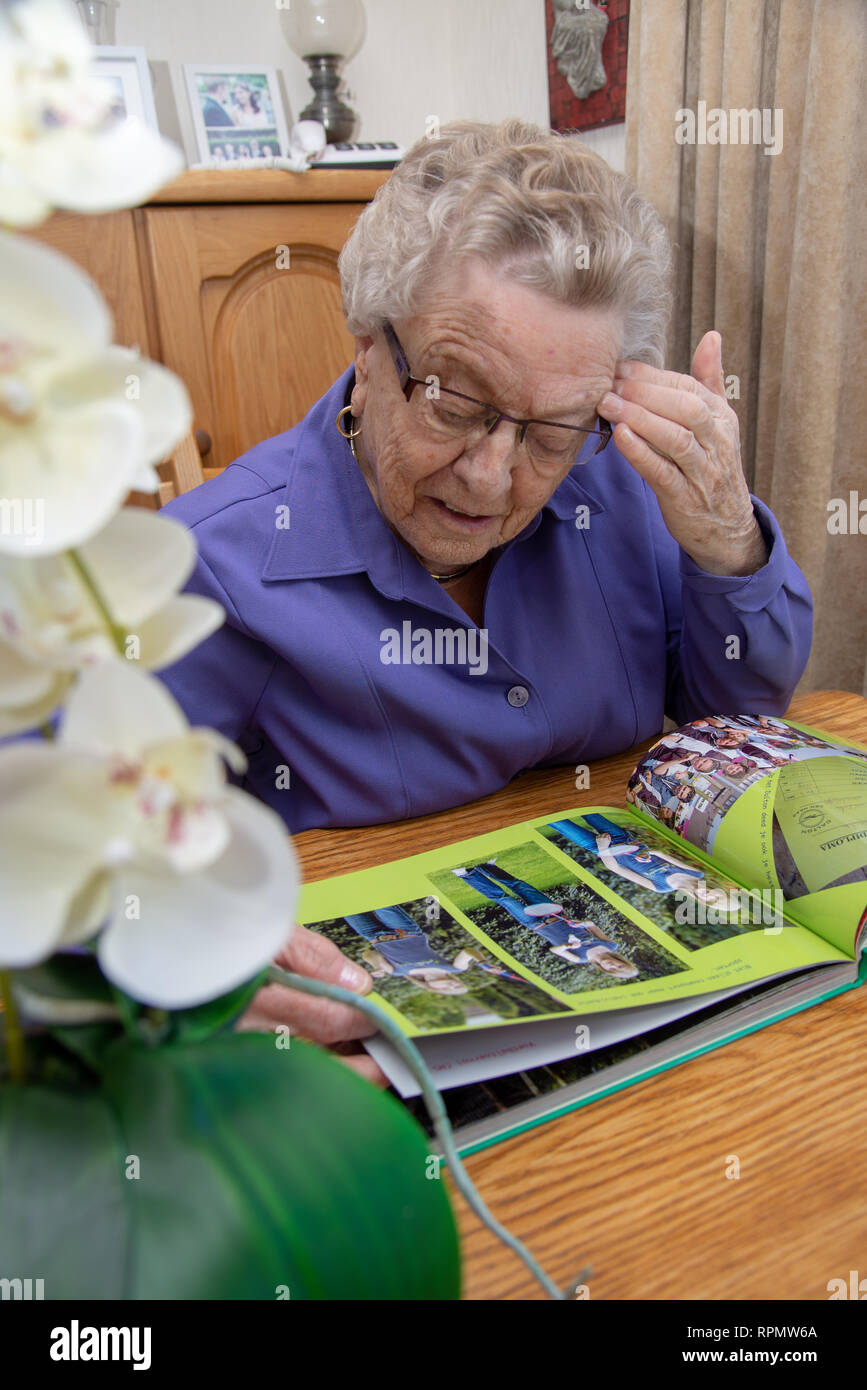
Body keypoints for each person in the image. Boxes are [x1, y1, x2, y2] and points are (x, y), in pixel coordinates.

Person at [158, 120, 812, 1072]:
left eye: (551, 431)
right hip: (373, 1044)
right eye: (455, 403)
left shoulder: (617, 479)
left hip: (669, 1022)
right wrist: (192, 956)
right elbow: (52, 854)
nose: (491, 476)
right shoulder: (205, 568)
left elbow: (736, 719)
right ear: (367, 345)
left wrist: (725, 541)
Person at [452, 860, 638, 978]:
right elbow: (592, 925)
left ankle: (467, 875)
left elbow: (555, 950)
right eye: (618, 965)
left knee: (504, 899)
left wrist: (566, 947)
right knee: (520, 886)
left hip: (537, 924)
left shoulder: (581, 958)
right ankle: (488, 867)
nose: (612, 965)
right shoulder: (610, 945)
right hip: (554, 913)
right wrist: (582, 924)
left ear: (607, 971)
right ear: (621, 960)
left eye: (613, 970)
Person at [548, 814, 731, 913]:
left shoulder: (661, 887)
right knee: (586, 810)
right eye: (712, 892)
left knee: (557, 822)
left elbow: (616, 868)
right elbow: (661, 854)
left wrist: (603, 847)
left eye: (709, 900)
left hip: (602, 848)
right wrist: (646, 851)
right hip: (622, 837)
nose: (706, 894)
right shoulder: (696, 873)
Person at [342, 903, 524, 993]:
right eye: (457, 985)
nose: (452, 985)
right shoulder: (453, 968)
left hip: (373, 936)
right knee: (378, 901)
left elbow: (369, 954)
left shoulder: (399, 972)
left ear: (433, 988)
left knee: (344, 906)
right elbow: (467, 952)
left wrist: (376, 966)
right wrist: (483, 962)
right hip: (405, 931)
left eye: (450, 989)